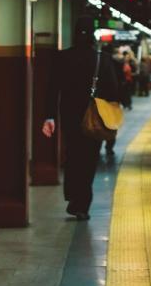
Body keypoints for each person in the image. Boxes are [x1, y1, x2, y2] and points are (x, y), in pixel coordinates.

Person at [42, 16, 119, 220]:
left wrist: (49, 116)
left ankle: (73, 196)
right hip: (94, 116)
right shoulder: (102, 59)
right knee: (89, 158)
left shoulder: (62, 57)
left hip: (69, 115)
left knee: (73, 154)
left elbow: (52, 89)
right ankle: (82, 204)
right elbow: (113, 91)